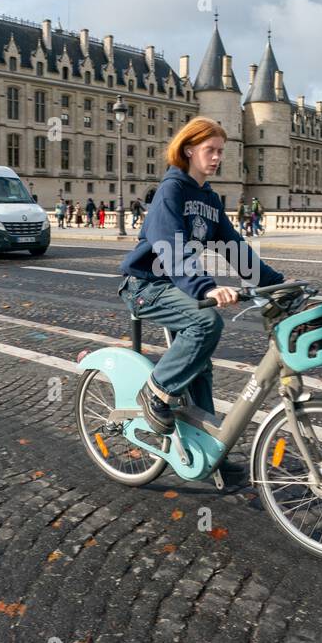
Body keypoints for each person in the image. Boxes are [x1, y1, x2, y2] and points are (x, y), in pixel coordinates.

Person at [119, 117, 283, 432]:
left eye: (221, 151)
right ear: (190, 149)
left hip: (175, 287)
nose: (217, 158)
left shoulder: (207, 197)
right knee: (206, 323)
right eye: (211, 150)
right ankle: (156, 390)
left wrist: (277, 284)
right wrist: (204, 287)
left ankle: (209, 448)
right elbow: (171, 246)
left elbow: (235, 247)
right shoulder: (171, 190)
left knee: (200, 364)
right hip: (145, 286)